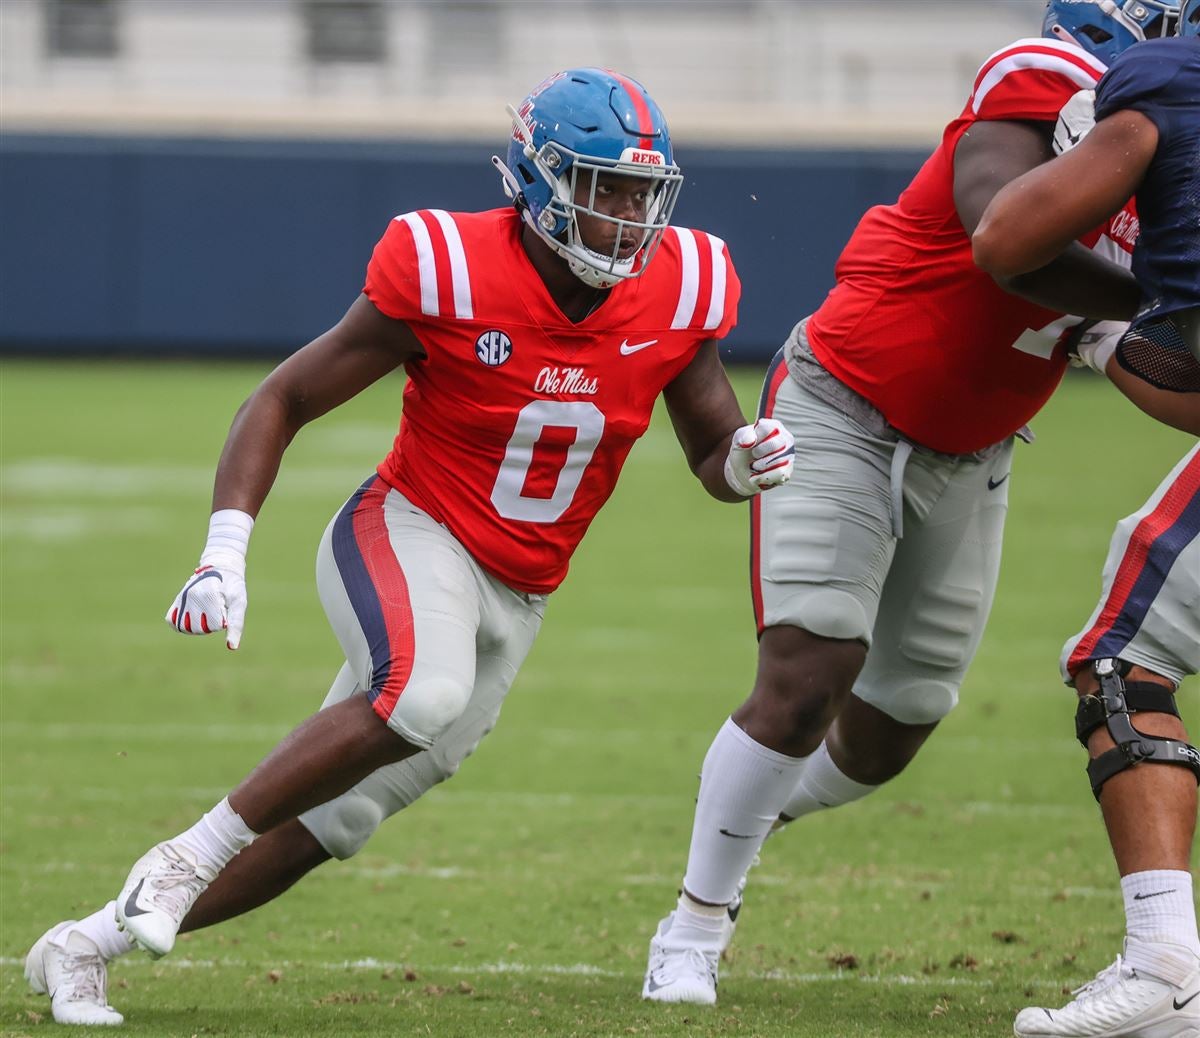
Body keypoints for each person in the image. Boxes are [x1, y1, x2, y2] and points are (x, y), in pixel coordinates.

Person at [23, 67, 797, 1026]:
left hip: (521, 592)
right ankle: (183, 858)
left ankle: (82, 945)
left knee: (336, 820)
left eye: (645, 193)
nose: (631, 217)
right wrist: (225, 549)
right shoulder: (448, 265)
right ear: (542, 180)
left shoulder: (682, 284)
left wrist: (743, 465)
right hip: (411, 528)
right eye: (608, 189)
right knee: (421, 693)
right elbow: (285, 395)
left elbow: (711, 449)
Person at [641, 0, 1195, 1009]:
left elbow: (1134, 357)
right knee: (810, 669)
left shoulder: (1158, 175)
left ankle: (744, 817)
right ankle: (694, 925)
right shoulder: (1044, 80)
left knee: (897, 725)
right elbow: (1000, 230)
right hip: (847, 403)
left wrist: (1159, 327)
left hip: (975, 451)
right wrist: (1155, 293)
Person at [973, 15, 1199, 1035]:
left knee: (1123, 657)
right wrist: (1118, 338)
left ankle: (1164, 967)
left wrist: (1106, 312)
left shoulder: (1164, 76)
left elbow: (1003, 239)